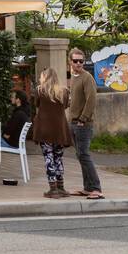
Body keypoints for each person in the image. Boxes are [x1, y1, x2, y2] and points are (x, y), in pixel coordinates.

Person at [30, 67, 73, 199]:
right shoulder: (64, 91)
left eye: (41, 76)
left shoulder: (39, 91)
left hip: (44, 129)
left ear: (45, 77)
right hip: (60, 129)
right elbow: (66, 105)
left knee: (49, 157)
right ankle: (61, 187)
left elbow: (37, 105)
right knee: (58, 158)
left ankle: (53, 188)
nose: (39, 79)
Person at [67, 49, 103, 199]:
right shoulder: (74, 78)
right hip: (74, 122)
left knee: (84, 155)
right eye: (75, 61)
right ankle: (88, 188)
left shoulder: (86, 77)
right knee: (80, 155)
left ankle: (96, 188)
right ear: (70, 61)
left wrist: (83, 119)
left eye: (81, 61)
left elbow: (92, 99)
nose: (79, 64)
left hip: (83, 124)